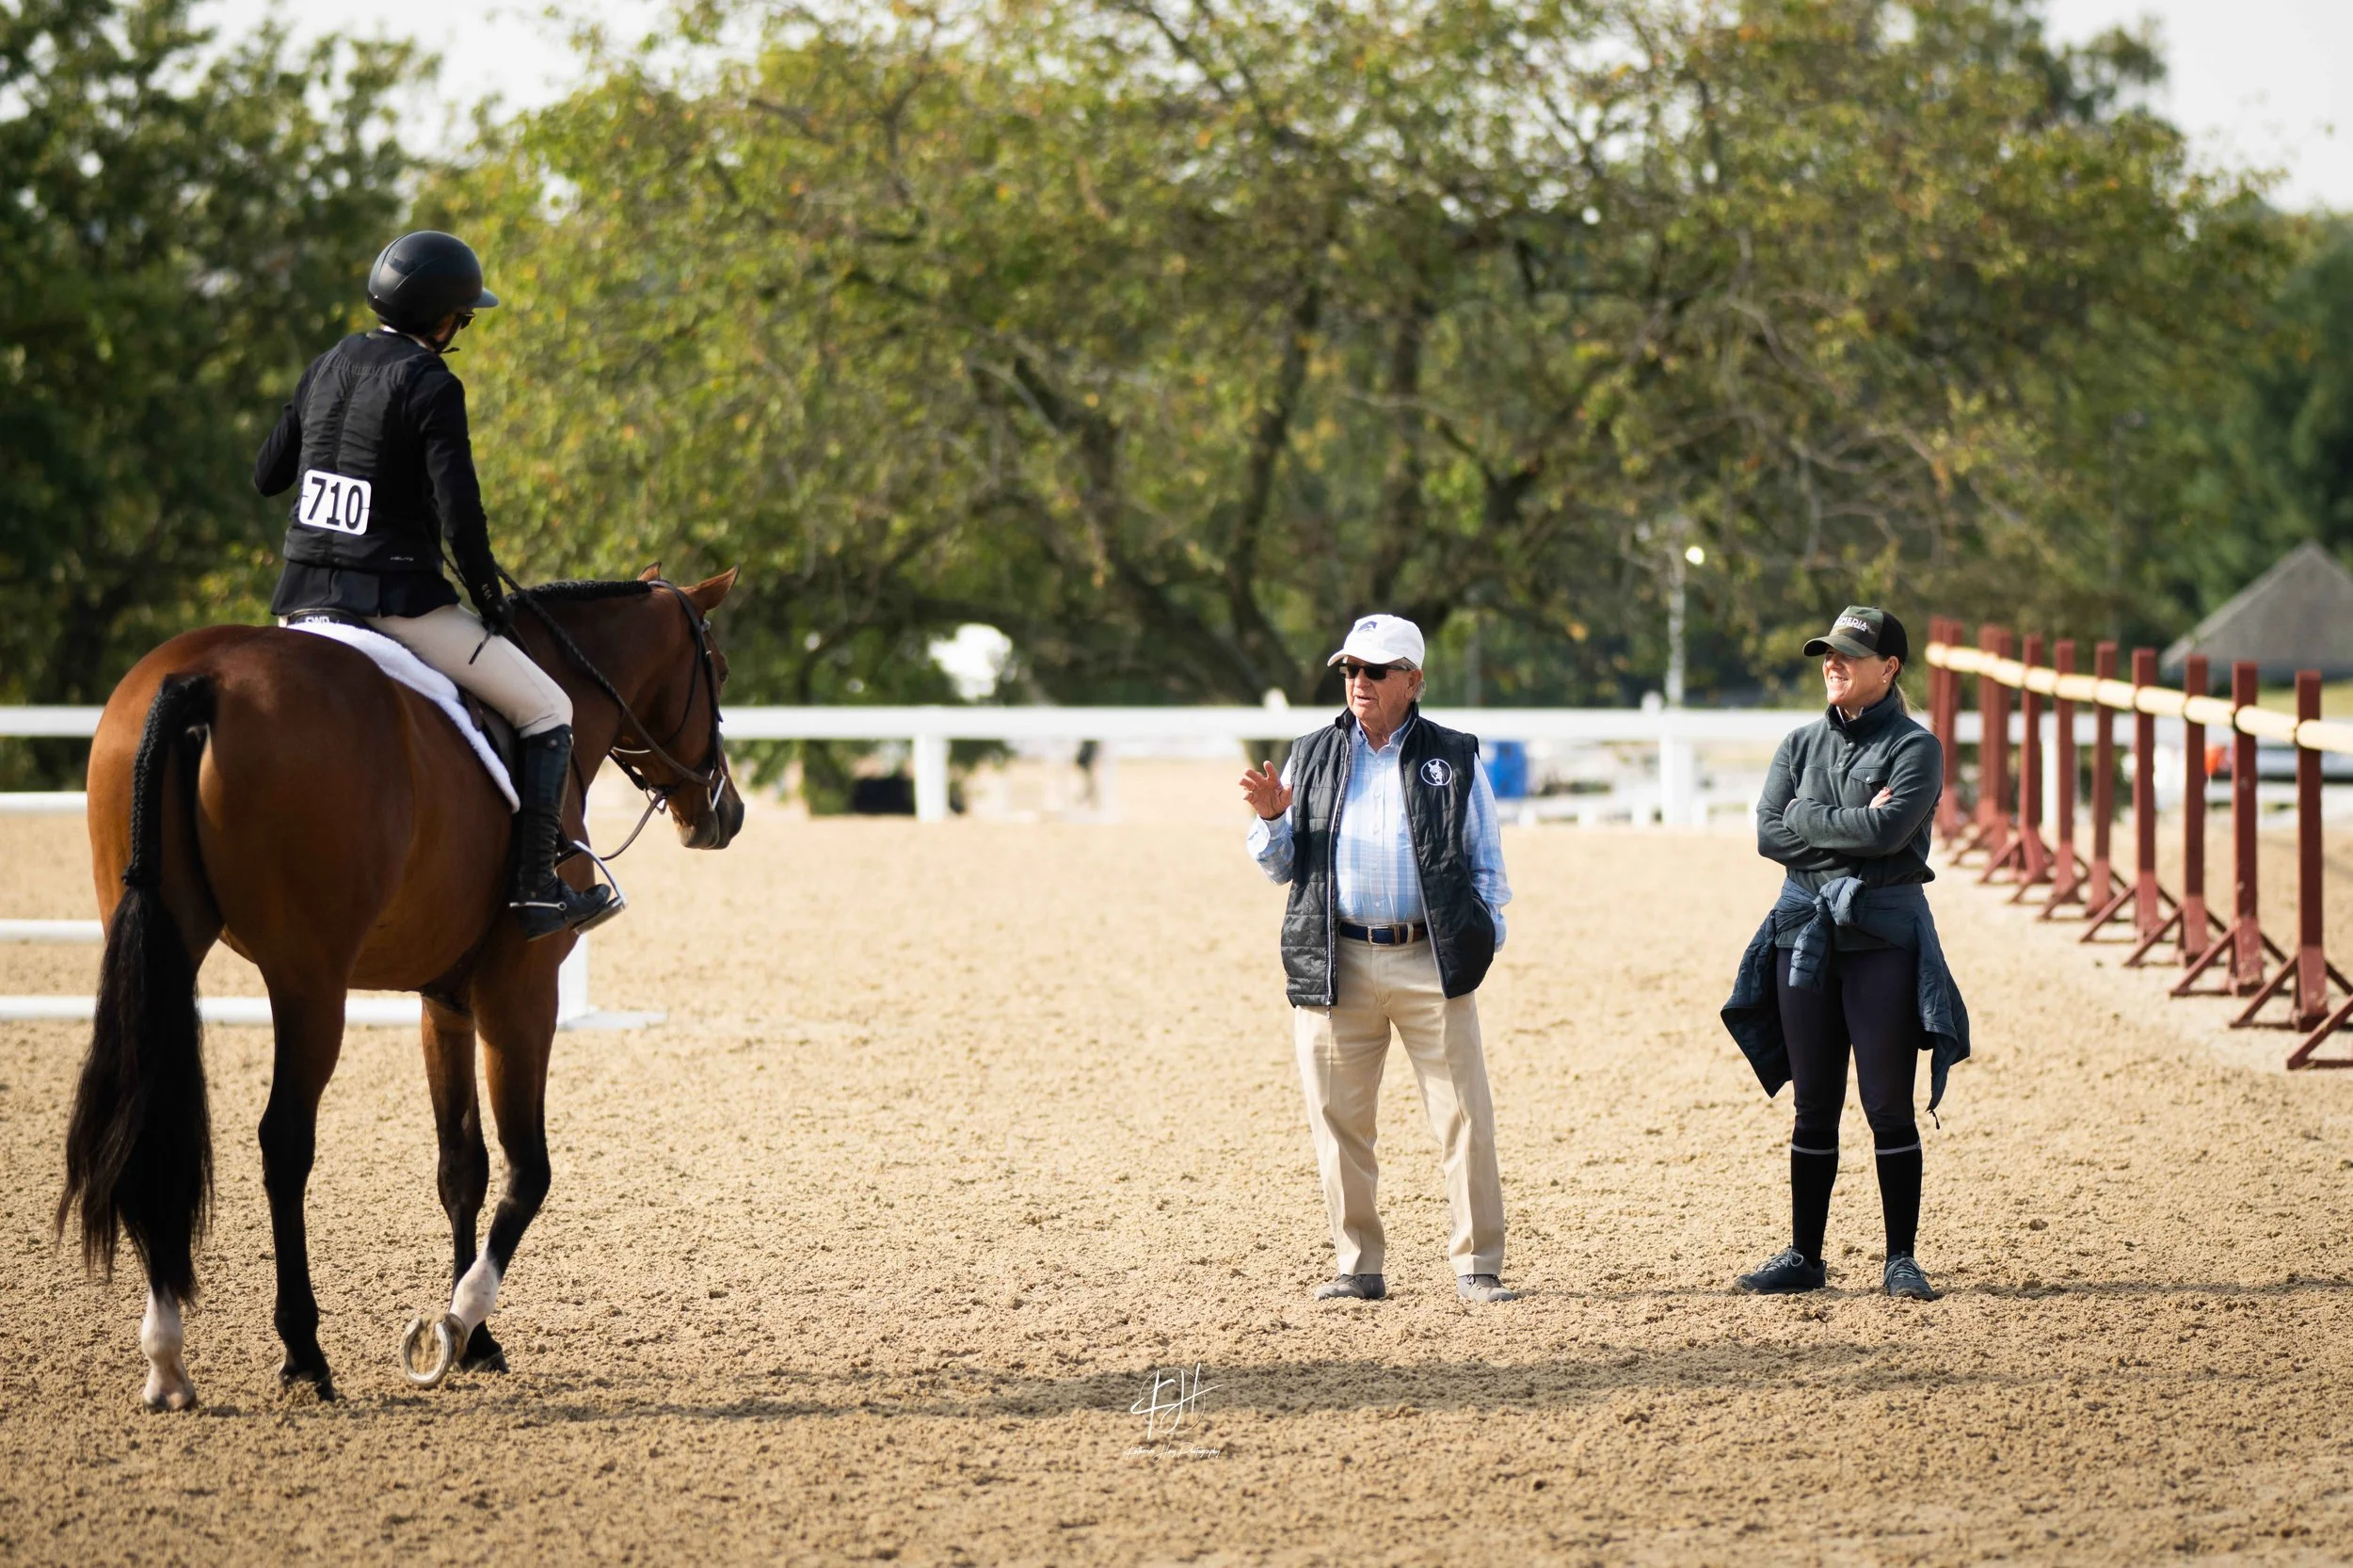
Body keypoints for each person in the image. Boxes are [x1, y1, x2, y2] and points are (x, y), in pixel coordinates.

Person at [251, 231, 611, 939]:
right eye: (462, 319)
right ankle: (538, 888)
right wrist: (490, 602)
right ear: (443, 320)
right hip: (393, 606)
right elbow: (459, 514)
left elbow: (267, 477)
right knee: (550, 709)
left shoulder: (327, 363)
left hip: (301, 603)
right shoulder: (431, 384)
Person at [1240, 614, 1517, 1304]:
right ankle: (1358, 1267)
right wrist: (1275, 819)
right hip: (1337, 960)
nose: (1358, 682)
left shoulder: (1453, 757)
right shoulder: (1310, 755)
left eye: (1375, 670)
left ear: (1413, 680)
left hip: (1431, 959)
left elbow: (1489, 869)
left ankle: (1478, 1266)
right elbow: (1280, 868)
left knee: (1465, 1119)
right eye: (1350, 670)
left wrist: (1475, 941)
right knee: (1339, 1123)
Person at [1721, 606, 1970, 1300]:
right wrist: (1842, 829)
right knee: (1814, 1105)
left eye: (1848, 655)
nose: (1832, 664)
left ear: (1888, 668)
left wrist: (1809, 817)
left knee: (1887, 1103)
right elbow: (1771, 834)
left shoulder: (1917, 749)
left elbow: (1890, 830)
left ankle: (1900, 1258)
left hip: (1882, 941)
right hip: (1803, 935)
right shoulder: (1799, 743)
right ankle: (1805, 1256)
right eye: (1827, 654)